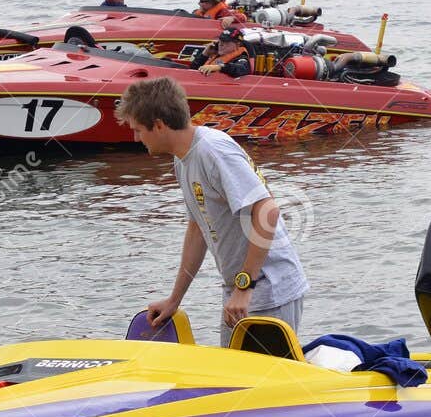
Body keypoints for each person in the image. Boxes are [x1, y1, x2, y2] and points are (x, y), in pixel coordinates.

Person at [115, 78, 307, 345]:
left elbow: (268, 211)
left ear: (159, 125)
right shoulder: (183, 160)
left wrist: (244, 288)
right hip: (237, 292)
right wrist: (175, 299)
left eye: (138, 130)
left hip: (267, 288)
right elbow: (198, 228)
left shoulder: (213, 151)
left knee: (263, 382)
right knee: (231, 380)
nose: (136, 138)